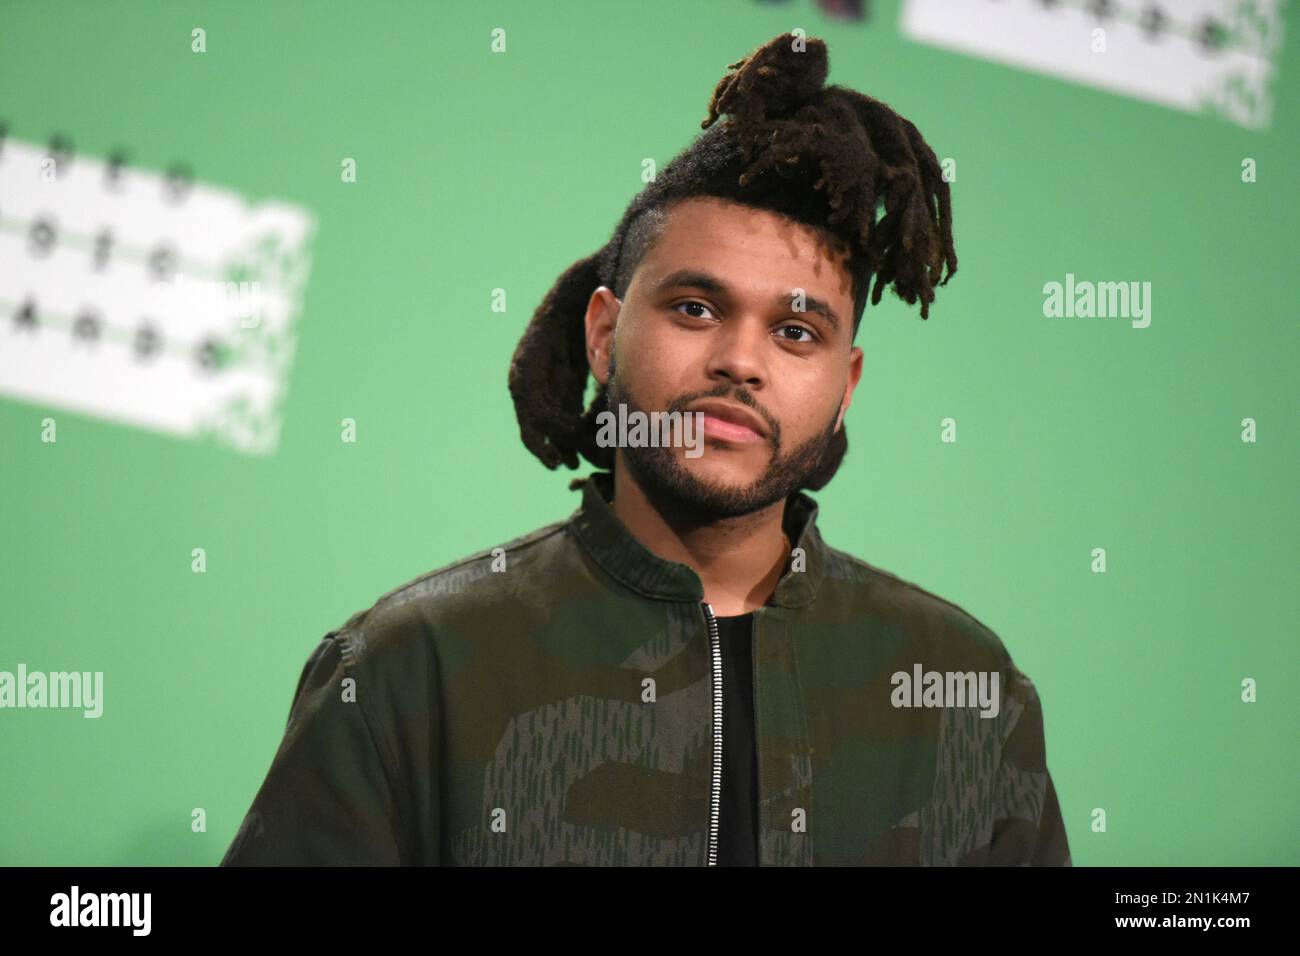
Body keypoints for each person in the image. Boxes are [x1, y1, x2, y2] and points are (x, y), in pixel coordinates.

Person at [222, 31, 1069, 867]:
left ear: (845, 386)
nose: (740, 360)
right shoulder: (408, 670)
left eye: (796, 330)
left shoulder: (966, 691)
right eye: (696, 309)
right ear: (603, 334)